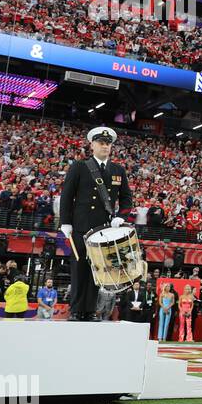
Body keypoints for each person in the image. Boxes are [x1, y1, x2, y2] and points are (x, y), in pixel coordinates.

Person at [59, 126, 133, 322]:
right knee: (79, 268)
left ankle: (90, 310)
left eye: (108, 144)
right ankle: (76, 310)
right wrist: (65, 222)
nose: (105, 146)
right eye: (101, 143)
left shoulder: (118, 170)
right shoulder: (80, 167)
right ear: (92, 145)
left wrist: (121, 217)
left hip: (103, 229)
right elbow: (67, 196)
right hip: (81, 227)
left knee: (97, 271)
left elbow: (127, 198)